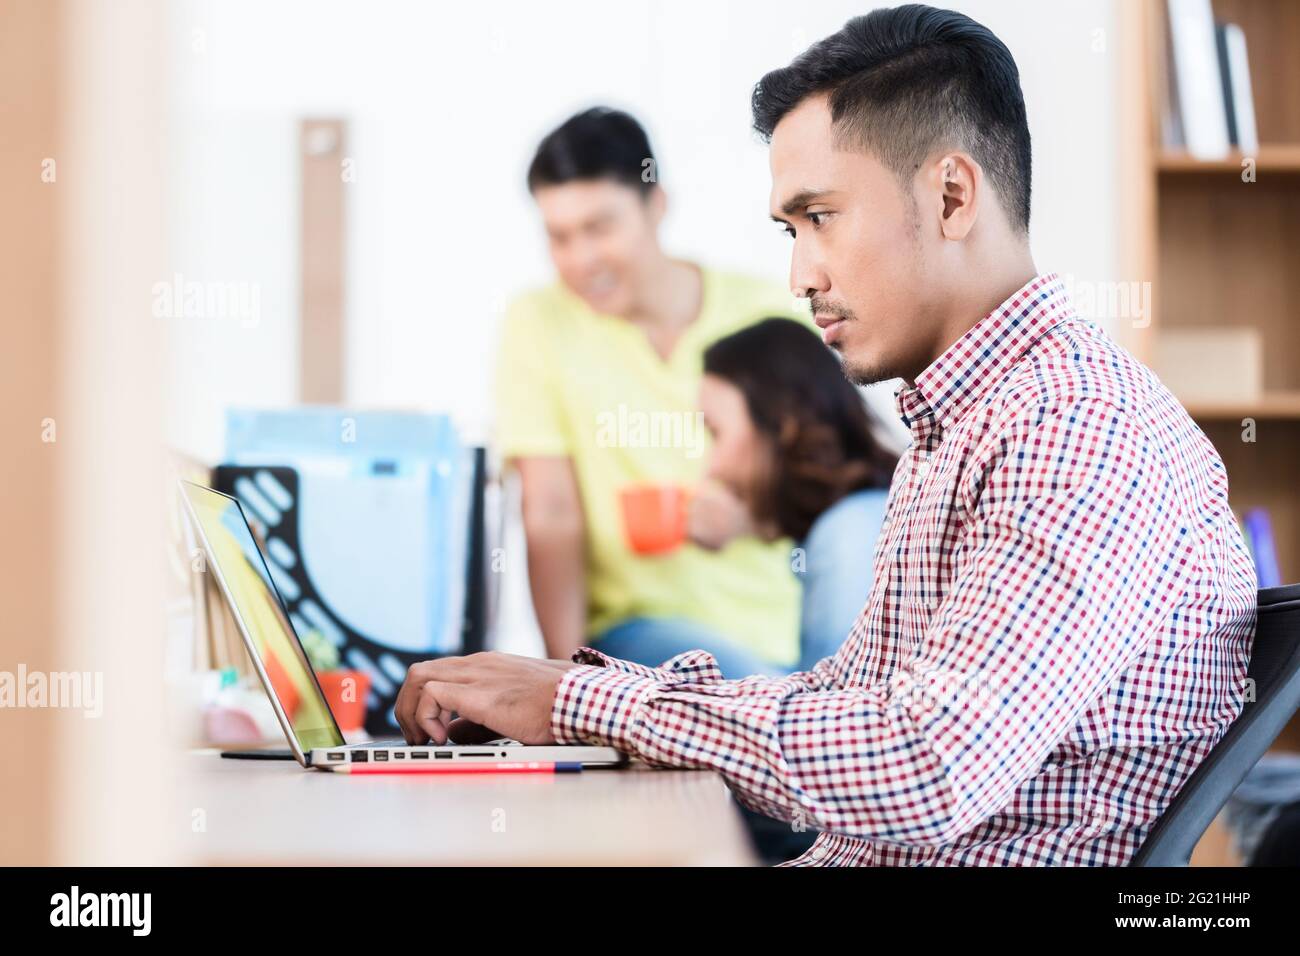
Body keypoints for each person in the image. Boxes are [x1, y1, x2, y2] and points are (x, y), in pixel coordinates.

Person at [401, 5, 1256, 866]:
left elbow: (927, 762)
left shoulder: (1075, 427)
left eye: (820, 217)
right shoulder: (964, 423)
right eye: (790, 229)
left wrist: (584, 707)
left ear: (952, 196)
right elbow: (850, 699)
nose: (800, 274)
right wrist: (573, 688)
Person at [495, 107, 810, 676]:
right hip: (638, 632)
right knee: (772, 695)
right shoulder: (539, 324)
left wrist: (750, 516)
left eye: (600, 228)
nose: (581, 260)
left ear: (656, 204)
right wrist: (564, 679)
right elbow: (550, 512)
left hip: (783, 621)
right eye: (559, 236)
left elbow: (829, 474)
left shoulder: (764, 310)